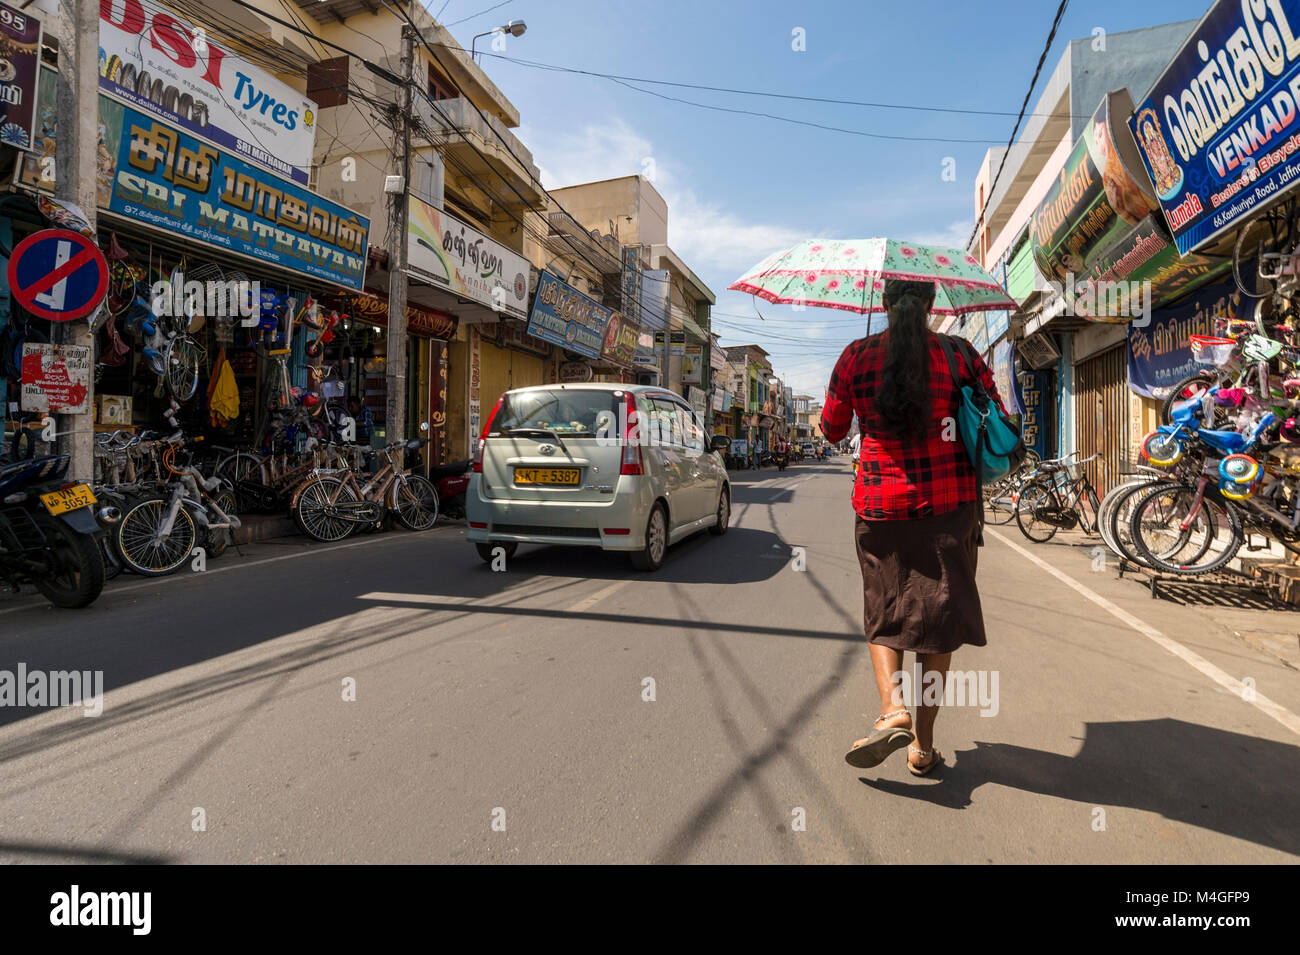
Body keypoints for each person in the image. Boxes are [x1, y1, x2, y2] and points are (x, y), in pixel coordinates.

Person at [821, 278, 1006, 777]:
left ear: (884, 304)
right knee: (937, 626)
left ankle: (892, 709)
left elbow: (833, 429)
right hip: (949, 509)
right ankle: (922, 748)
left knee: (884, 610)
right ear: (930, 305)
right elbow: (999, 417)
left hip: (879, 508)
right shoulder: (960, 354)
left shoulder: (856, 356)